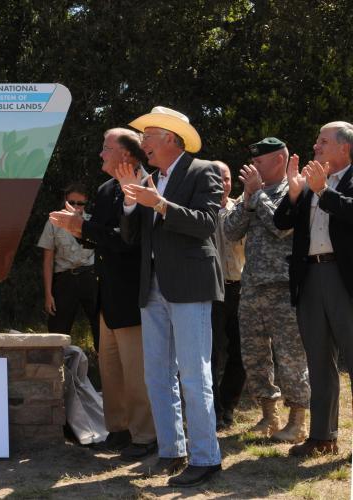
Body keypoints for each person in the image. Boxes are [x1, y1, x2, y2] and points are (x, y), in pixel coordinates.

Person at [117, 106, 223, 487]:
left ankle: (206, 457)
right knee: (157, 375)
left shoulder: (202, 170)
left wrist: (159, 204)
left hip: (190, 285)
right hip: (154, 287)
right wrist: (131, 203)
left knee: (194, 375)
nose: (142, 142)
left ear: (171, 140)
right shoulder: (150, 179)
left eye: (149, 136)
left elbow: (208, 224)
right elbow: (132, 236)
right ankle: (172, 450)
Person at [51, 129, 156, 461]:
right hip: (106, 294)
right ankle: (119, 429)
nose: (100, 154)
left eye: (106, 147)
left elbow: (128, 239)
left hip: (133, 295)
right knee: (110, 369)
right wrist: (78, 225)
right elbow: (101, 235)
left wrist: (83, 228)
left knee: (136, 370)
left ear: (127, 155)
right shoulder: (106, 188)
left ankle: (145, 436)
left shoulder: (147, 187)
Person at [273, 121, 353, 456]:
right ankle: (323, 437)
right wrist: (294, 195)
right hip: (310, 278)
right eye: (316, 141)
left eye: (323, 141)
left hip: (345, 279)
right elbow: (281, 223)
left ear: (345, 147)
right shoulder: (309, 181)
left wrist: (323, 192)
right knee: (318, 361)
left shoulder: (333, 183)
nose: (316, 147)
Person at [224, 138, 310, 441]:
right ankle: (269, 417)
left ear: (278, 160)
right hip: (252, 287)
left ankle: (298, 420)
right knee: (253, 355)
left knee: (289, 355)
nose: (252, 168)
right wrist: (247, 199)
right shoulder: (252, 193)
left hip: (283, 286)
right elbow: (230, 232)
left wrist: (258, 194)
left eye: (259, 162)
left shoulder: (293, 189)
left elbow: (281, 226)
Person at [37, 183, 100, 350]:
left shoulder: (93, 222)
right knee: (58, 331)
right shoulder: (53, 223)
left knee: (101, 327)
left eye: (80, 203)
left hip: (90, 277)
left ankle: (105, 368)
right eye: (72, 202)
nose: (76, 207)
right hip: (65, 279)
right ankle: (57, 370)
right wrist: (48, 294)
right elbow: (48, 260)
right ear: (65, 201)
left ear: (86, 204)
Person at [209, 161, 247, 431]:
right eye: (218, 178)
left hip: (240, 287)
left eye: (228, 178)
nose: (224, 183)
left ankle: (228, 404)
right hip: (211, 290)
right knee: (210, 354)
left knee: (242, 351)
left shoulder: (241, 210)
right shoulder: (200, 211)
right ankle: (213, 410)